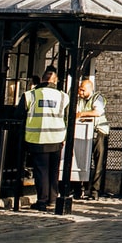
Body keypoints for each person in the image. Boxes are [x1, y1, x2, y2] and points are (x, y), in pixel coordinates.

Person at [22, 66, 70, 211]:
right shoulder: (63, 96)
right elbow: (67, 118)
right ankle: (53, 199)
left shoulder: (30, 95)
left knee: (41, 170)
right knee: (53, 170)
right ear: (56, 81)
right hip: (57, 137)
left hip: (38, 137)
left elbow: (19, 114)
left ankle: (42, 200)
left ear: (42, 79)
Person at [74, 76, 109, 201]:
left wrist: (81, 114)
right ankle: (78, 188)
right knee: (80, 161)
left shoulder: (97, 98)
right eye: (79, 89)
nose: (80, 92)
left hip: (98, 132)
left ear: (89, 89)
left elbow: (97, 112)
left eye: (83, 90)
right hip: (82, 131)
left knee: (98, 162)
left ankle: (95, 191)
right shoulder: (79, 100)